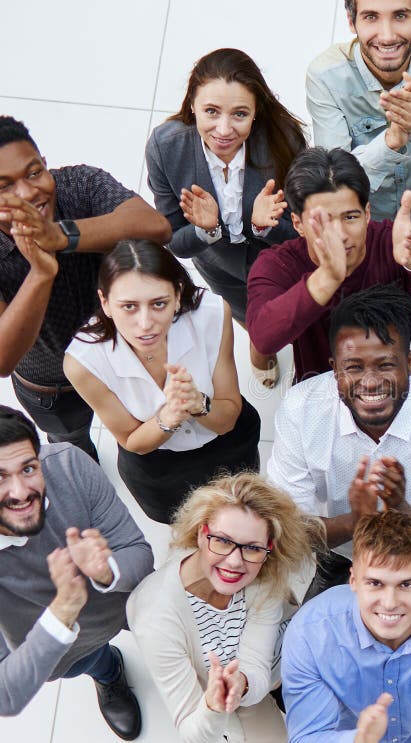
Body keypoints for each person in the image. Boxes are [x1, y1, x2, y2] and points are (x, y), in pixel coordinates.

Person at [266, 284, 411, 610]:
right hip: (343, 548)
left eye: (385, 365)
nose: (370, 382)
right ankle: (335, 568)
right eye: (354, 367)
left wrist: (401, 509)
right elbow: (288, 536)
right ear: (334, 368)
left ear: (409, 363)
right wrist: (355, 521)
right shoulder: (301, 410)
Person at [306, 0, 411, 367]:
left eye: (400, 16)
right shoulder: (327, 75)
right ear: (352, 21)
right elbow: (334, 186)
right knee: (381, 293)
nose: (387, 36)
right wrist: (390, 143)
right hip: (372, 222)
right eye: (371, 17)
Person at [0, 116, 171, 460]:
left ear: (46, 164)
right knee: (73, 446)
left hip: (127, 353)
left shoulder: (78, 183)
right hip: (54, 386)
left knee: (146, 432)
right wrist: (40, 274)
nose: (28, 192)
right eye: (4, 186)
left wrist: (61, 236)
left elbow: (156, 227)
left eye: (34, 172)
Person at [63, 240, 261, 524]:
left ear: (178, 296)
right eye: (129, 306)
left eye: (159, 304)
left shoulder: (212, 312)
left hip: (228, 445)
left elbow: (228, 415)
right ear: (105, 303)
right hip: (160, 468)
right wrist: (168, 417)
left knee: (243, 512)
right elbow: (133, 440)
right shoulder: (83, 362)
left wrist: (199, 403)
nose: (145, 323)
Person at [246, 147, 411, 383]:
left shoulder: (395, 241)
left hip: (393, 373)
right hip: (320, 382)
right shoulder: (277, 265)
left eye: (350, 217)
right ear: (297, 223)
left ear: (367, 213)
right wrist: (326, 278)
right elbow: (264, 339)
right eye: (324, 221)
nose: (340, 235)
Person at [146, 48, 306, 388]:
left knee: (295, 314)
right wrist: (205, 230)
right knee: (245, 312)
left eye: (239, 115)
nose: (224, 130)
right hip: (218, 262)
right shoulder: (165, 146)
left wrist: (265, 225)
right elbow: (173, 239)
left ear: (255, 113)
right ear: (192, 104)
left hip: (275, 257)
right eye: (211, 112)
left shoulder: (284, 142)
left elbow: (303, 235)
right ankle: (260, 344)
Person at [127, 471, 323, 743]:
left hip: (282, 662)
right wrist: (215, 705)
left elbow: (255, 661)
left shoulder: (263, 572)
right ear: (200, 534)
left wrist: (244, 680)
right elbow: (192, 731)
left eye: (252, 548)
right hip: (238, 704)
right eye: (222, 541)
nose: (234, 562)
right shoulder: (156, 618)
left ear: (269, 548)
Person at [0, 405, 154, 739]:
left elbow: (138, 554)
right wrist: (62, 613)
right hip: (66, 647)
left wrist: (105, 571)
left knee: (161, 627)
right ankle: (109, 673)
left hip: (125, 600)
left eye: (28, 468)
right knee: (93, 661)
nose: (20, 492)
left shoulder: (67, 465)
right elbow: (6, 694)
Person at [282, 509, 411, 743]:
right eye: (375, 583)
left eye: (406, 584)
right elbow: (308, 736)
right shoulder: (310, 634)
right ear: (353, 580)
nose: (390, 603)